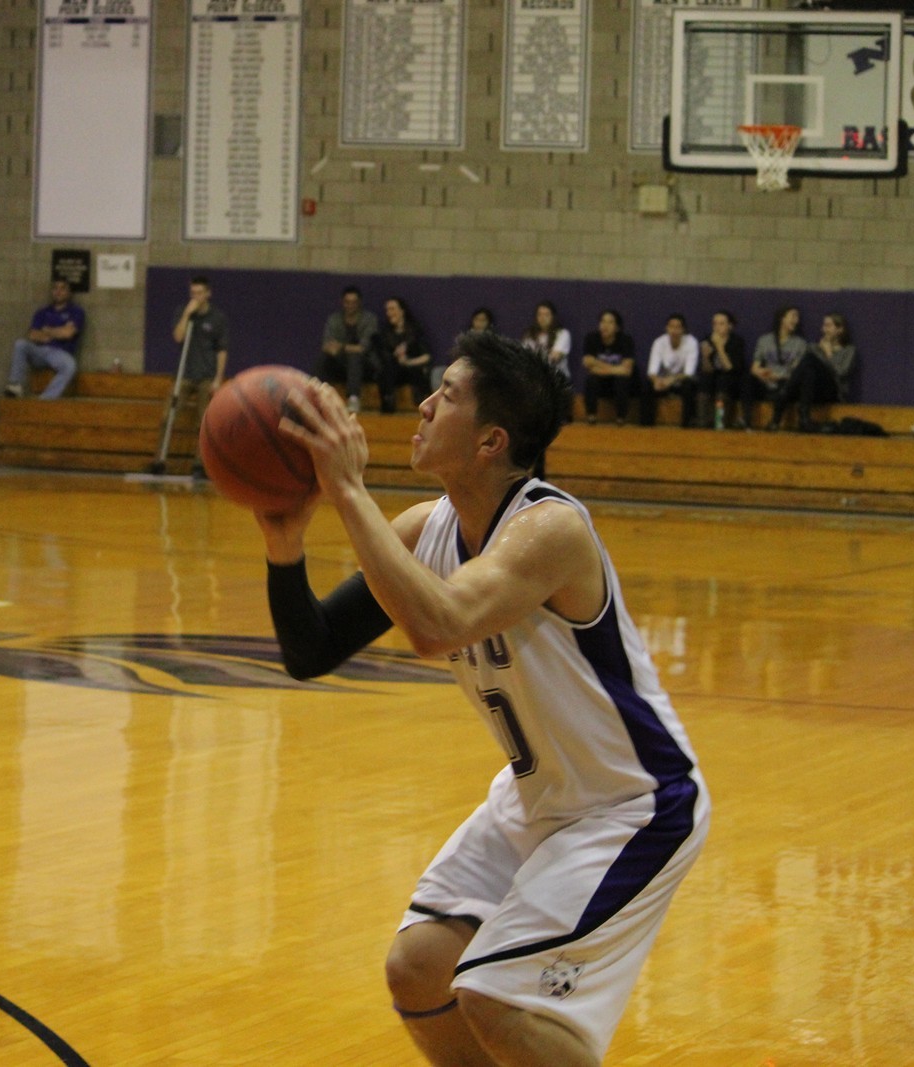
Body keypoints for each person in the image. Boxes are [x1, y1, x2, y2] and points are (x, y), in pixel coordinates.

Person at [257, 332, 708, 1067]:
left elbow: (439, 623)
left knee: (499, 999)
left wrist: (347, 490)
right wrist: (284, 546)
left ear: (491, 441)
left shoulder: (552, 528)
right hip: (537, 799)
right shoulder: (426, 529)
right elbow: (312, 649)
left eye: (448, 395)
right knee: (420, 969)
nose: (425, 405)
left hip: (632, 805)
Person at [170, 275, 230, 478]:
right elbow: (178, 337)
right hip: (185, 374)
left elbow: (222, 350)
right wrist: (187, 314)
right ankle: (160, 459)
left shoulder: (217, 318)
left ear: (208, 294)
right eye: (192, 292)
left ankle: (200, 464)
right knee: (168, 417)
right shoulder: (184, 312)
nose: (195, 296)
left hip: (207, 375)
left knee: (203, 422)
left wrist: (218, 378)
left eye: (199, 293)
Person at [773, 313, 855, 433]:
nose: (824, 330)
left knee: (810, 358)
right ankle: (804, 419)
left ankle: (782, 398)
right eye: (823, 326)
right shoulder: (814, 348)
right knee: (808, 369)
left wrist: (828, 354)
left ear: (840, 329)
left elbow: (841, 373)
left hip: (832, 391)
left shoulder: (849, 350)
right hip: (812, 391)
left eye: (828, 326)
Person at [5, 279, 84, 400]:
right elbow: (33, 335)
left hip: (60, 353)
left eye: (62, 288)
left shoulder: (76, 311)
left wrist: (47, 330)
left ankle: (45, 399)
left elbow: (68, 334)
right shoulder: (42, 312)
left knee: (70, 366)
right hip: (40, 351)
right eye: (55, 288)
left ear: (69, 293)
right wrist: (60, 331)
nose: (58, 291)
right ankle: (15, 386)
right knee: (20, 344)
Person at [318, 286, 379, 414]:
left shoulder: (369, 319)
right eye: (347, 302)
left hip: (366, 366)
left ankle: (353, 398)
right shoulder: (334, 319)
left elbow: (363, 348)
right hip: (340, 364)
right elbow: (327, 345)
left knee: (354, 357)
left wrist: (340, 347)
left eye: (353, 302)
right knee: (323, 358)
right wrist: (338, 349)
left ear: (359, 303)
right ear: (342, 302)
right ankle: (317, 395)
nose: (350, 305)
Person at [744, 306, 806, 430]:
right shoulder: (764, 340)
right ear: (782, 318)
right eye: (793, 316)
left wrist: (778, 376)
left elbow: (796, 372)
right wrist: (761, 372)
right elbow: (754, 367)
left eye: (797, 317)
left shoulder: (800, 344)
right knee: (748, 379)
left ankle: (775, 422)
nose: (796, 320)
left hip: (785, 383)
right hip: (766, 382)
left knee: (787, 385)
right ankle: (746, 419)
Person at [374, 297, 432, 414]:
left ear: (402, 311)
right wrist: (395, 356)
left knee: (418, 373)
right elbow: (382, 356)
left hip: (412, 368)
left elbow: (426, 356)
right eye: (387, 310)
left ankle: (420, 404)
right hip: (392, 371)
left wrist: (408, 362)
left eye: (392, 309)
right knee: (386, 371)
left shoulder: (414, 330)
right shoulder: (384, 333)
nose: (389, 313)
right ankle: (388, 403)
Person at [641, 313, 699, 428]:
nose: (674, 330)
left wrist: (672, 380)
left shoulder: (691, 342)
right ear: (666, 328)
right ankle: (646, 425)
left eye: (678, 327)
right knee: (647, 386)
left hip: (681, 381)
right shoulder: (659, 342)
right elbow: (652, 371)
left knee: (689, 385)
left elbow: (689, 373)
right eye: (671, 326)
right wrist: (657, 381)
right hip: (663, 382)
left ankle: (687, 426)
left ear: (683, 330)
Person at [580, 309, 635, 425]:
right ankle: (591, 416)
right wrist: (616, 369)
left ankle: (621, 418)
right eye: (603, 321)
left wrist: (598, 365)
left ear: (617, 327)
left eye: (610, 322)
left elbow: (627, 370)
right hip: (601, 381)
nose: (605, 325)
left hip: (618, 381)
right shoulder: (591, 338)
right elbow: (587, 363)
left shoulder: (626, 340)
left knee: (621, 381)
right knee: (591, 380)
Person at [697, 311, 746, 429]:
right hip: (713, 377)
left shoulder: (736, 342)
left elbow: (730, 368)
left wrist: (719, 346)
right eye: (715, 324)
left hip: (731, 379)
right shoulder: (708, 340)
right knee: (704, 381)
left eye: (721, 324)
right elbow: (707, 369)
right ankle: (702, 421)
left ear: (730, 326)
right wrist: (705, 357)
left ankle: (719, 421)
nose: (717, 327)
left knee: (723, 382)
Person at [520, 301, 571, 386]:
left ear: (553, 317)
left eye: (546, 315)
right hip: (535, 380)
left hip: (557, 380)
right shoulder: (529, 335)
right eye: (539, 314)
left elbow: (554, 358)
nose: (542, 318)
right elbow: (524, 357)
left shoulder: (562, 334)